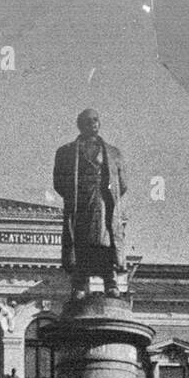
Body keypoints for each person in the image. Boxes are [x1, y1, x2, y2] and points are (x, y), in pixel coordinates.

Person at [53, 109, 127, 300]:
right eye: (88, 121)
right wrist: (76, 193)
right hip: (80, 203)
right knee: (81, 243)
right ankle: (79, 284)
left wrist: (108, 193)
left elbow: (122, 184)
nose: (93, 123)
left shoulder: (113, 152)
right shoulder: (66, 152)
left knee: (106, 242)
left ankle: (110, 283)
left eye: (96, 120)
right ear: (80, 125)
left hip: (103, 202)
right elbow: (59, 182)